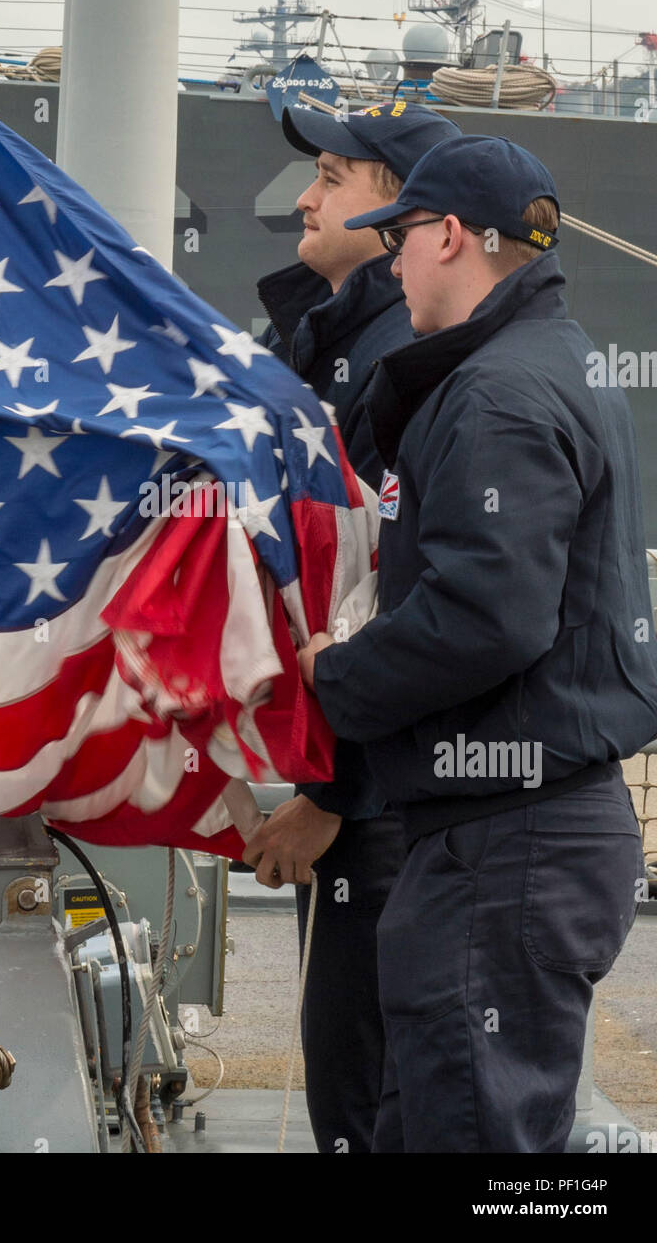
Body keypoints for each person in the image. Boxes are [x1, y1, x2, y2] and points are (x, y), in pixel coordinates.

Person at [296, 133, 657, 1153]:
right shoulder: (549, 361)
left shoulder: (493, 392)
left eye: (401, 237)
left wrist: (333, 678)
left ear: (449, 235)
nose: (393, 261)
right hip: (514, 835)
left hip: (508, 844)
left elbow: (489, 613)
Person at [242, 99, 461, 1153]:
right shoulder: (338, 337)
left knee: (369, 1096)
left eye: (333, 174)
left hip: (375, 811)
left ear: (403, 214)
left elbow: (397, 589)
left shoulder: (392, 355)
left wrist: (332, 796)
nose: (302, 197)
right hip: (359, 786)